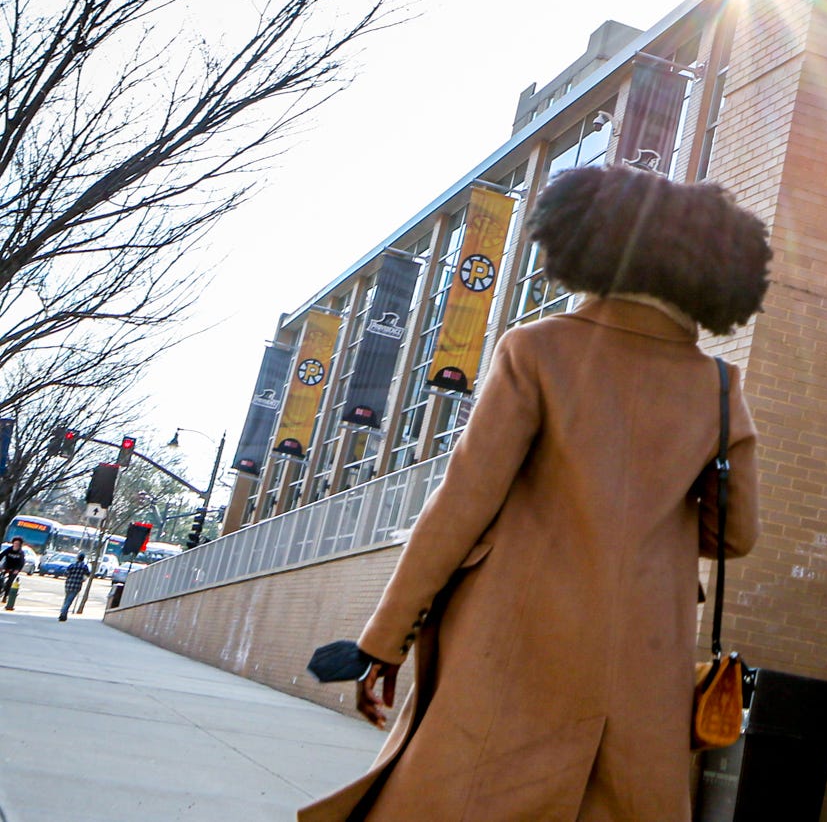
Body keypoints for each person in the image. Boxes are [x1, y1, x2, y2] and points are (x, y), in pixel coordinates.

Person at [303, 166, 769, 822]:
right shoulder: (717, 387)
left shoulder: (538, 350)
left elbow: (462, 503)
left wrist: (383, 642)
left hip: (508, 651)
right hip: (642, 668)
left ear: (586, 246)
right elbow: (736, 534)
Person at [59, 551, 91, 620]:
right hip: (77, 586)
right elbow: (87, 575)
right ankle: (63, 612)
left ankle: (64, 615)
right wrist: (82, 579)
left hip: (68, 584)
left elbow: (65, 574)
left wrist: (70, 576)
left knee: (66, 599)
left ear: (78, 558)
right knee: (69, 601)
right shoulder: (84, 567)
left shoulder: (72, 565)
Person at [0, 536, 25, 611]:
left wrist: (17, 570)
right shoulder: (9, 549)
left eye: (17, 544)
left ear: (20, 545)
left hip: (15, 568)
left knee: (9, 582)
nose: (16, 545)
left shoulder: (20, 552)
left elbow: (21, 562)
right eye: (15, 543)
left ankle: (5, 596)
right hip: (7, 565)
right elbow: (1, 555)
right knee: (1, 577)